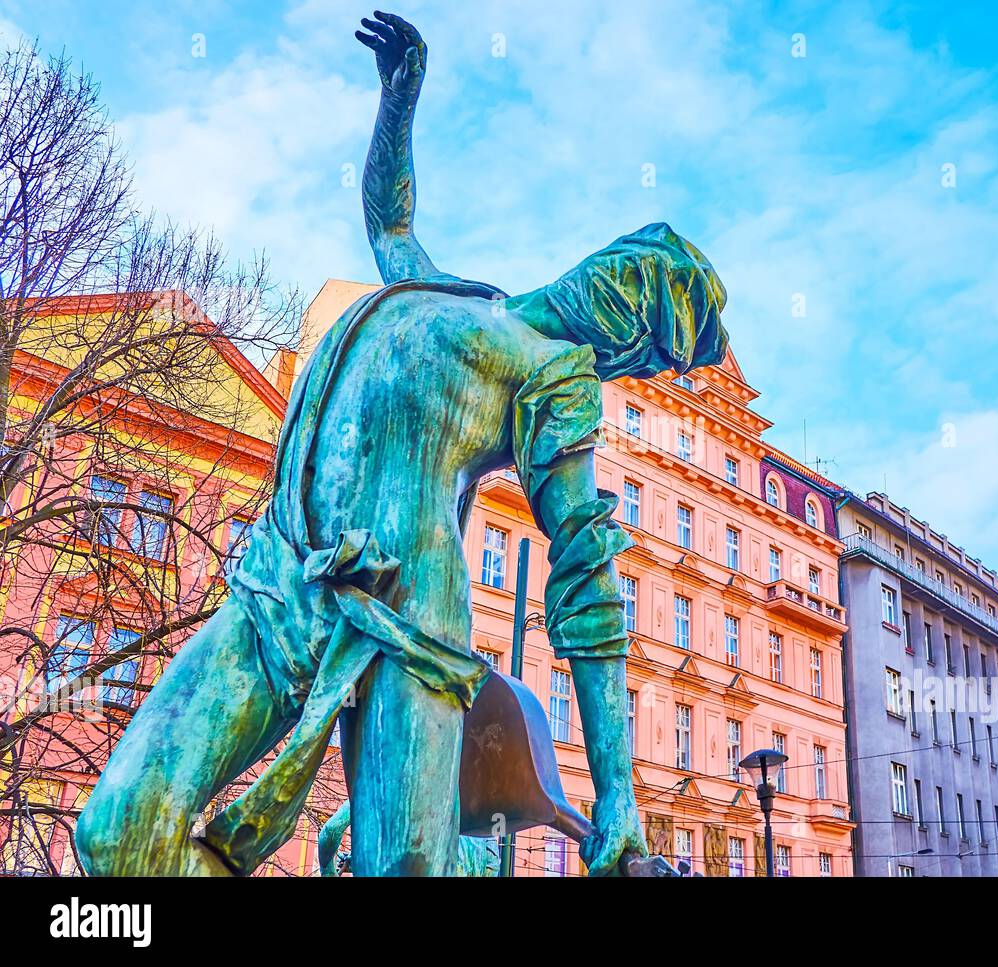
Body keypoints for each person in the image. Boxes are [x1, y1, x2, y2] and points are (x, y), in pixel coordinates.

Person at [75, 11, 727, 877]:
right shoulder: (447, 291)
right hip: (281, 581)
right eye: (635, 263)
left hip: (408, 628)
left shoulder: (558, 379)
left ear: (631, 345)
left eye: (646, 295)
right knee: (119, 833)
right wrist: (400, 99)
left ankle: (469, 863)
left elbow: (585, 580)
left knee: (401, 870)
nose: (623, 280)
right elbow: (388, 218)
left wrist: (619, 794)